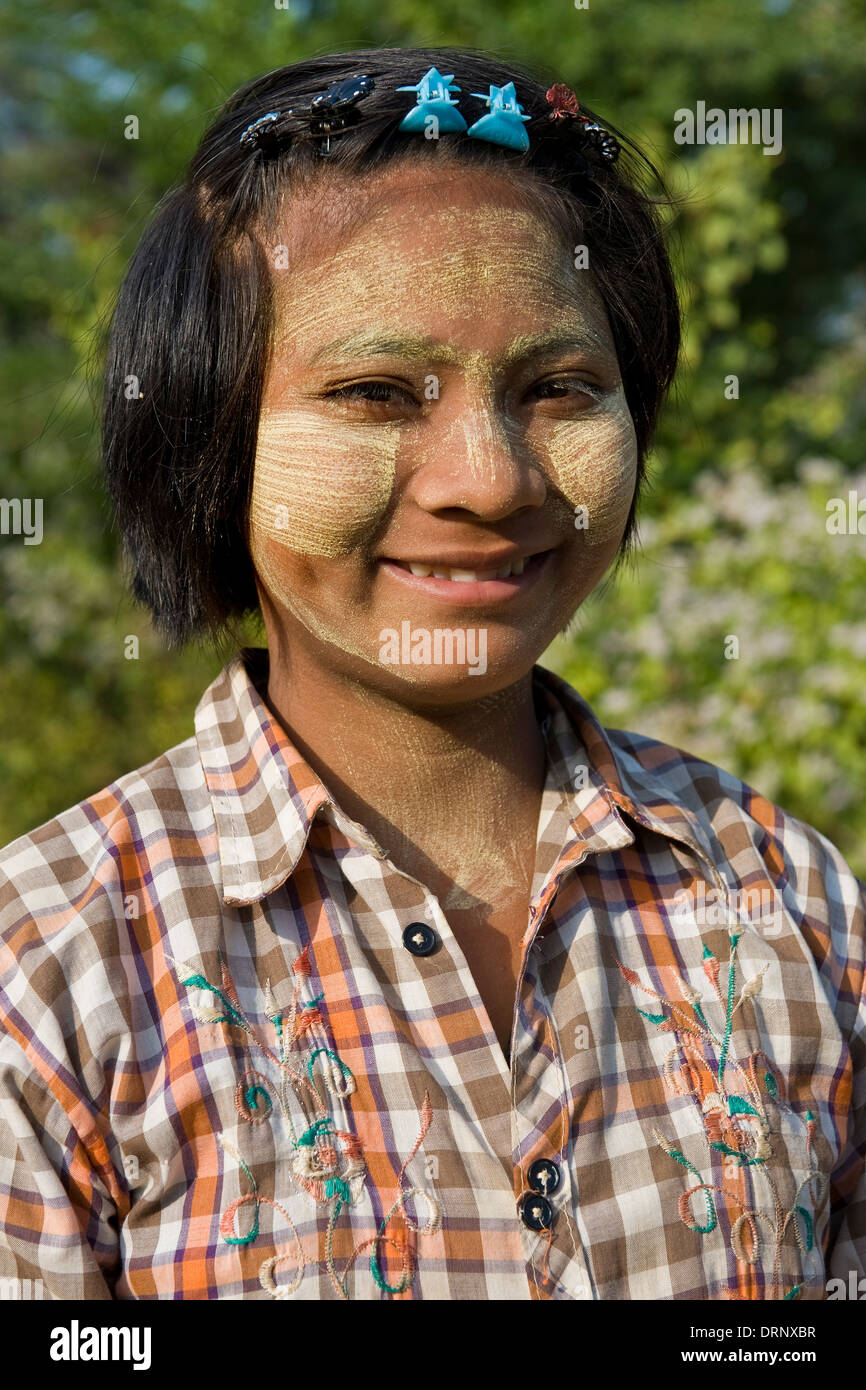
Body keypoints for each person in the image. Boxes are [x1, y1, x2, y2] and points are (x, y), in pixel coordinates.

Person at [0, 45, 863, 1303]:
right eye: (374, 392)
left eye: (559, 387)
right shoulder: (53, 970)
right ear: (207, 439)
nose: (493, 477)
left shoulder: (791, 902)